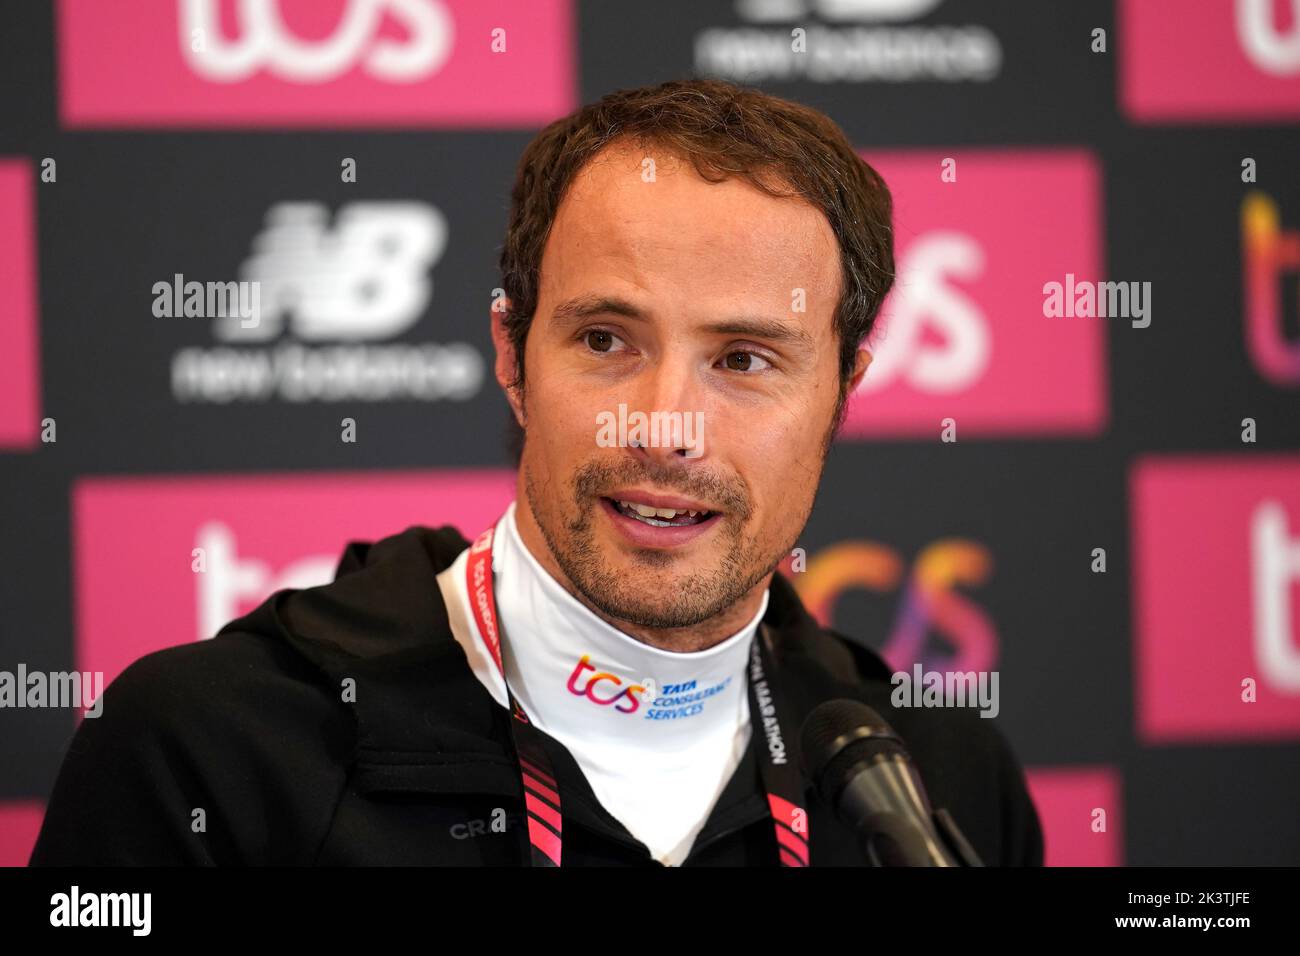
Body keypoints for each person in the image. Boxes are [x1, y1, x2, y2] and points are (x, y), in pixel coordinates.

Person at [30, 78, 1042, 867]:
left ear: (841, 391)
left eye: (743, 360)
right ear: (511, 359)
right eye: (606, 339)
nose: (667, 425)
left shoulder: (935, 780)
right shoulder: (208, 747)